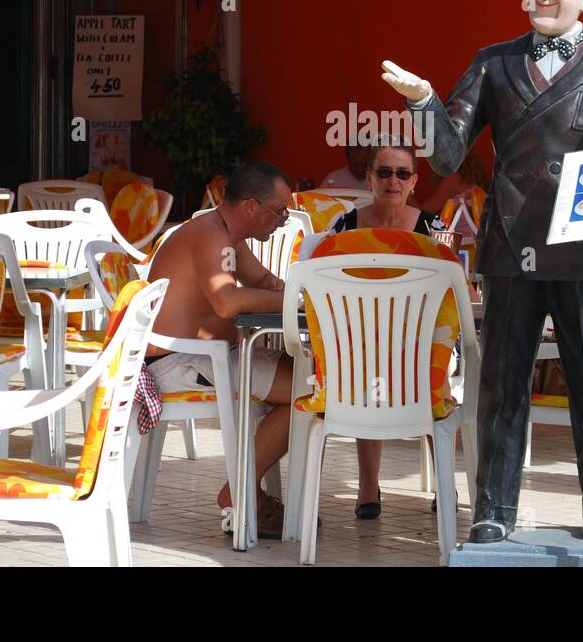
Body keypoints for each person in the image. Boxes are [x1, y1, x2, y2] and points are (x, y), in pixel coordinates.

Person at [382, 0, 583, 543]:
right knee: (502, 386)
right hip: (509, 246)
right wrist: (423, 102)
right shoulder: (492, 64)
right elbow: (448, 157)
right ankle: (493, 510)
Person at [145, 160, 296, 537]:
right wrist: (292, 299)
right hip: (176, 362)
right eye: (279, 212)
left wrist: (280, 286)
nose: (283, 220)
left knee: (308, 380)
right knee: (310, 392)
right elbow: (227, 303)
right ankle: (240, 492)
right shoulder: (210, 235)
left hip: (203, 357)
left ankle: (247, 488)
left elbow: (261, 279)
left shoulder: (227, 234)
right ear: (250, 206)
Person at [326, 138, 447, 519]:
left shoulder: (434, 228)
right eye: (384, 172)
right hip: (361, 342)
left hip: (421, 340)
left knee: (433, 374)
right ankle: (367, 488)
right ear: (369, 178)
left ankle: (445, 483)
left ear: (414, 182)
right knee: (366, 377)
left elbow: (455, 284)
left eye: (402, 173)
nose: (393, 181)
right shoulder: (344, 226)